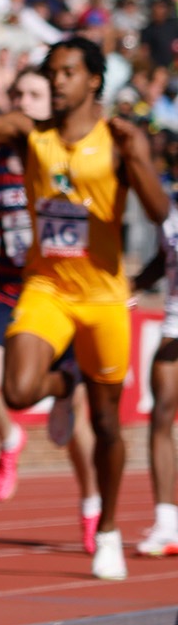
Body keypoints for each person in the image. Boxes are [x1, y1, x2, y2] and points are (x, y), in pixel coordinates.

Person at [0, 35, 170, 581]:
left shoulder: (116, 139)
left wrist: (137, 156)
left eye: (67, 73)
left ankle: (109, 530)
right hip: (47, 289)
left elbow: (161, 212)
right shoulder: (30, 133)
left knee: (110, 425)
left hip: (104, 298)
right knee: (17, 390)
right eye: (52, 72)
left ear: (94, 80)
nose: (58, 81)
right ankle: (67, 387)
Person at [0, 66, 97, 547]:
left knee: (72, 429)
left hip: (59, 289)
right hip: (10, 284)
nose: (24, 100)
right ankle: (10, 439)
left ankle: (92, 501)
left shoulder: (62, 155)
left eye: (34, 93)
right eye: (17, 93)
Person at [130, 213, 178, 558]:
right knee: (161, 414)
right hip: (174, 326)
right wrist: (131, 285)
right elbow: (164, 258)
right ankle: (167, 523)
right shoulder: (169, 210)